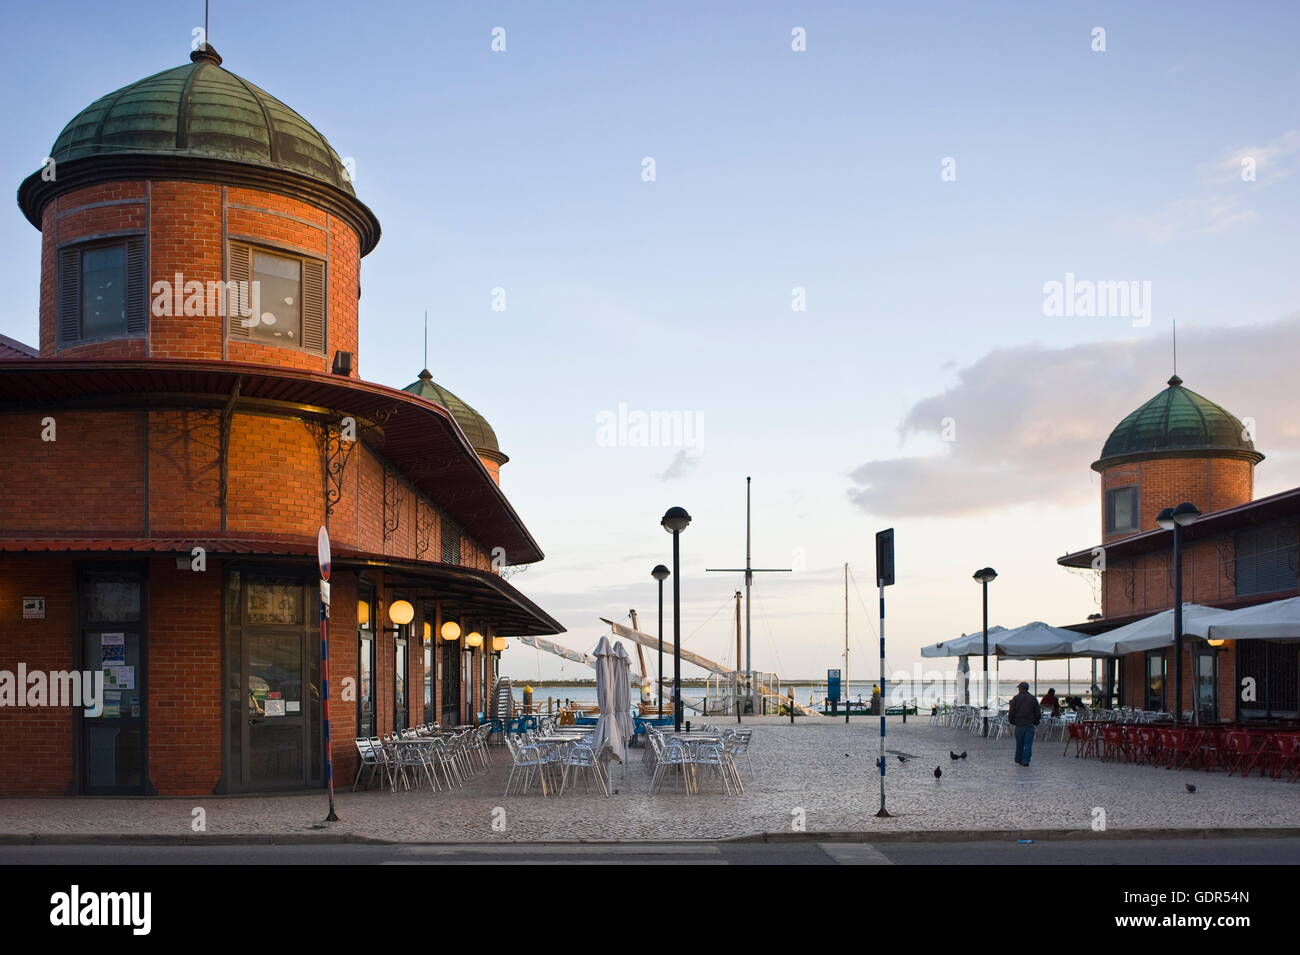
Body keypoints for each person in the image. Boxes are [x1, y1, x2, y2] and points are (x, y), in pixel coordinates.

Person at [1007, 681, 1041, 767]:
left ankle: (1019, 759)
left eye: (1019, 688)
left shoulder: (1015, 698)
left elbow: (1011, 712)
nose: (1018, 689)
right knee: (1028, 744)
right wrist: (1036, 721)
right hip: (1029, 724)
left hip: (1019, 724)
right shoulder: (1033, 699)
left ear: (1021, 688)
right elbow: (1037, 712)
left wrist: (1011, 721)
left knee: (1019, 743)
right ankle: (1026, 761)